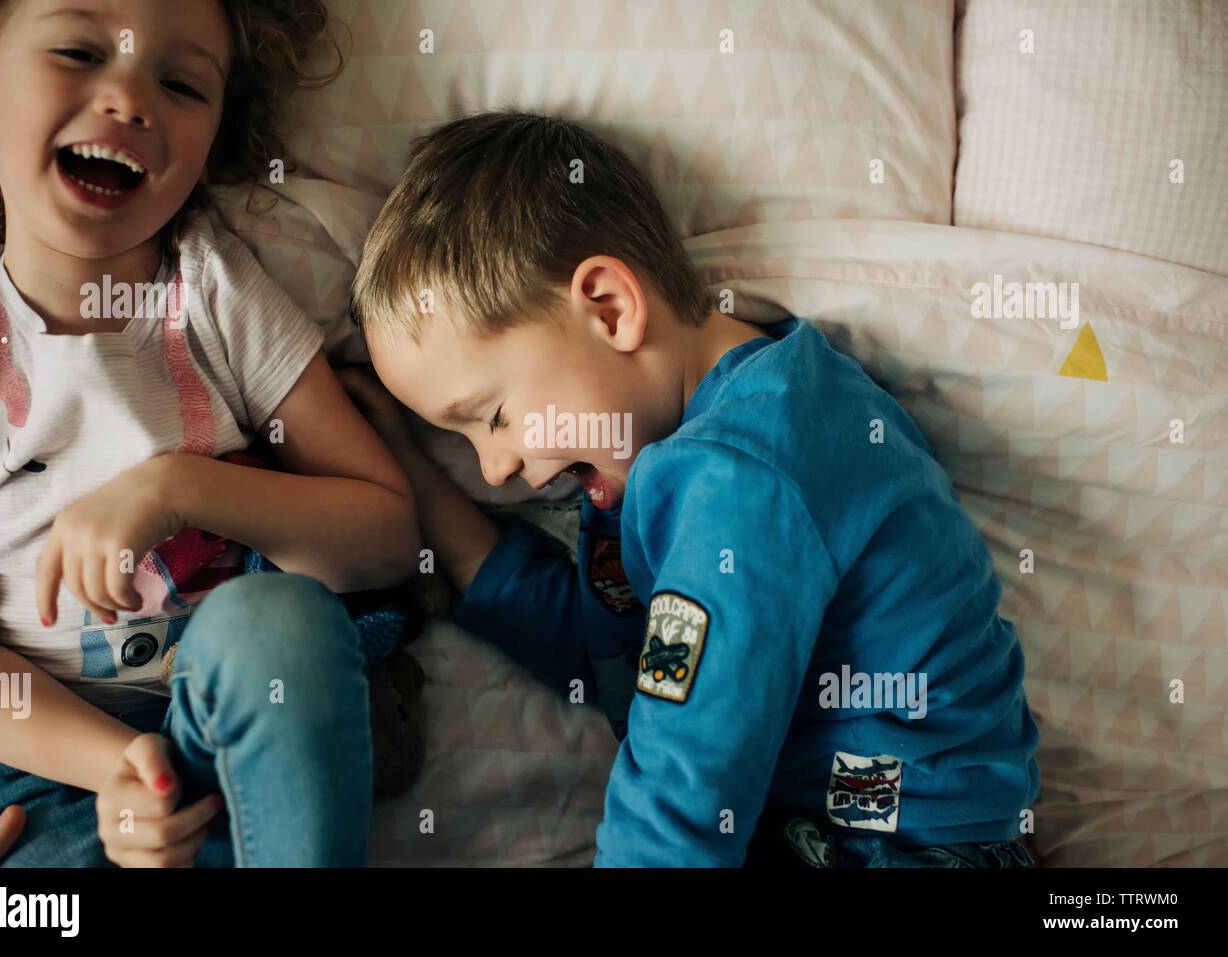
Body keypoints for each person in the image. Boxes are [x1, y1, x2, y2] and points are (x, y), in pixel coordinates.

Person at [344, 110, 1040, 867]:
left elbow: (689, 777)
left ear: (609, 307)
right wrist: (414, 479)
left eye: (495, 416)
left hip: (906, 845)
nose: (494, 469)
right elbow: (613, 658)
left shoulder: (743, 473)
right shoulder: (666, 456)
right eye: (463, 440)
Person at [0, 0, 418, 867]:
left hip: (243, 724)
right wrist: (117, 765)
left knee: (281, 619)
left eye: (182, 82)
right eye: (79, 51)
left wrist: (177, 486)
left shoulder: (216, 291)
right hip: (47, 769)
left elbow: (386, 535)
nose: (129, 99)